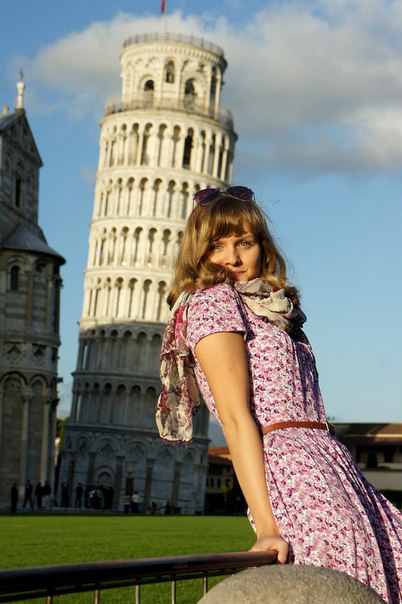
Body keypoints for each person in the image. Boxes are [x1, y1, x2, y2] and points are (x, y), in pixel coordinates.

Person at [156, 186, 402, 604]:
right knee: (344, 580)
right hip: (291, 469)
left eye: (244, 243)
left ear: (262, 246)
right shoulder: (213, 302)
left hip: (330, 459)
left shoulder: (268, 307)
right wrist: (267, 525)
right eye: (217, 246)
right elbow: (235, 419)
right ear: (199, 252)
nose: (232, 258)